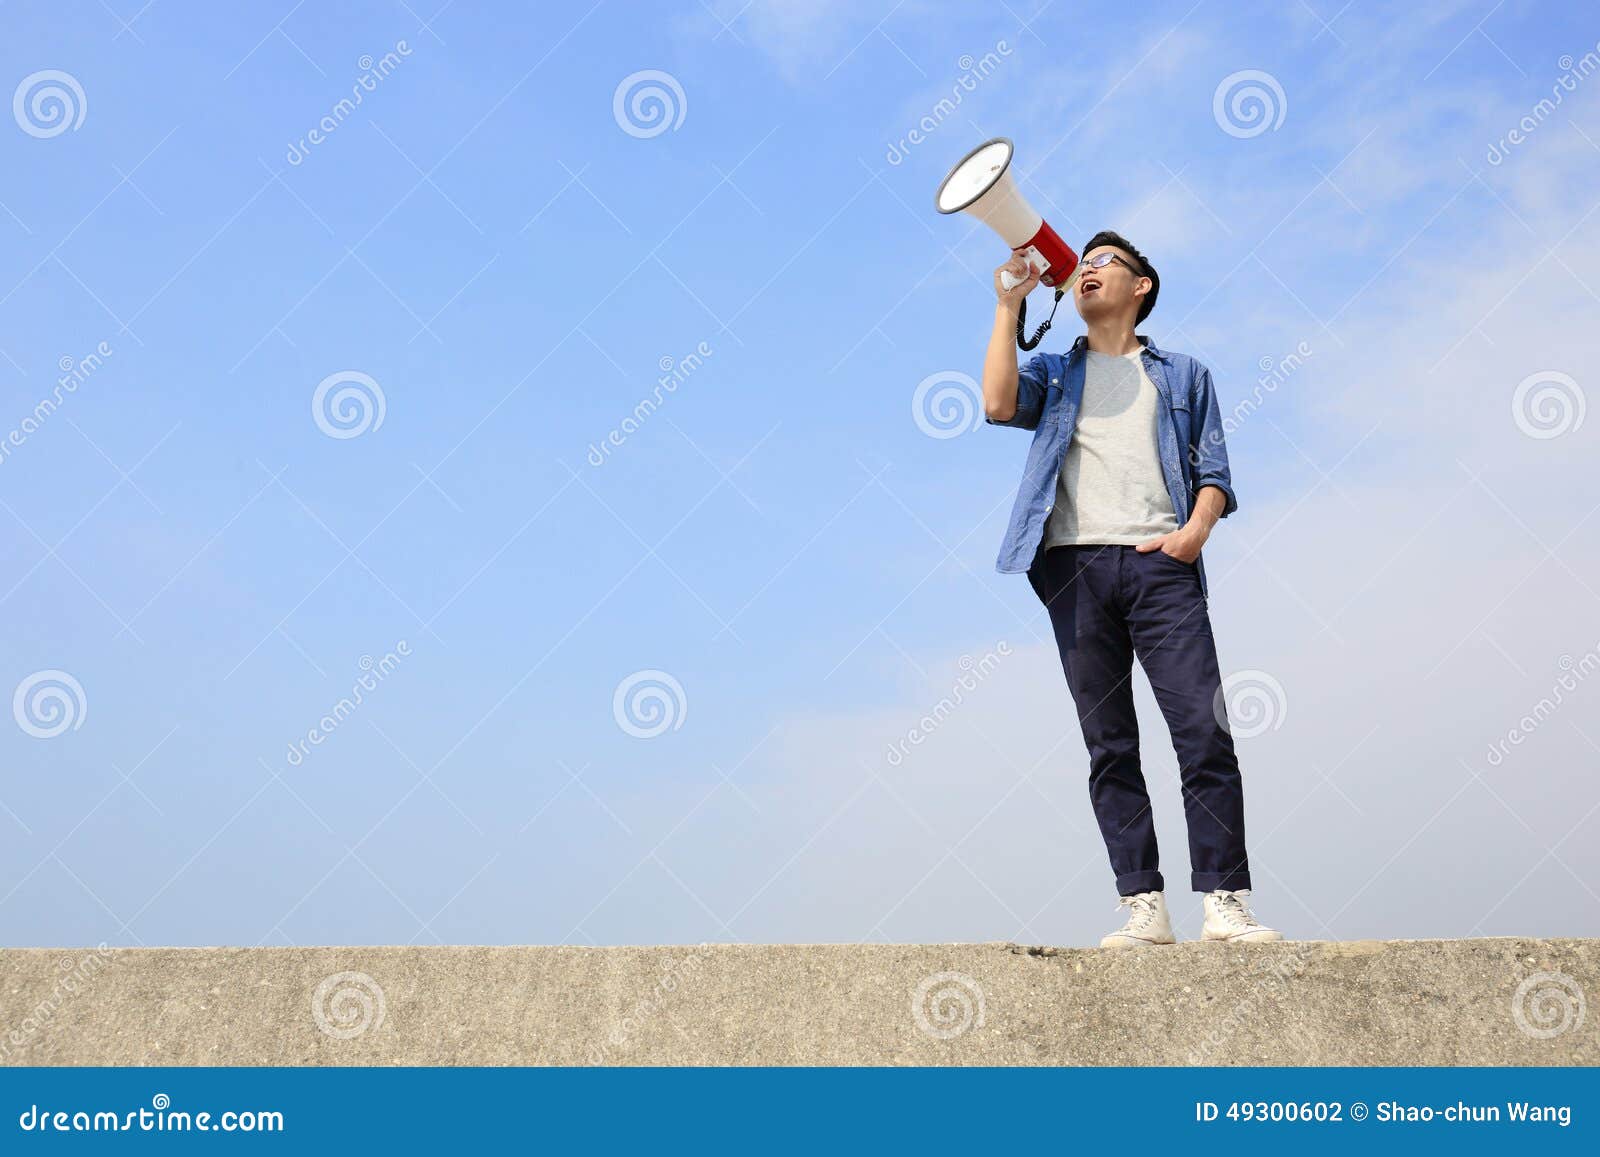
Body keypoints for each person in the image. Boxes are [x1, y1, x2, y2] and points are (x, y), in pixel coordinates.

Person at [981, 231, 1281, 948]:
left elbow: (1216, 474)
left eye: (1104, 262)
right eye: (1081, 265)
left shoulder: (1184, 375)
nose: (1086, 270)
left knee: (1203, 732)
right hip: (1074, 569)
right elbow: (995, 403)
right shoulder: (1055, 372)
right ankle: (1143, 902)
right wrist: (1006, 306)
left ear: (1141, 285)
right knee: (1109, 744)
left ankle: (1224, 900)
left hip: (1161, 566)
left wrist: (1192, 534)